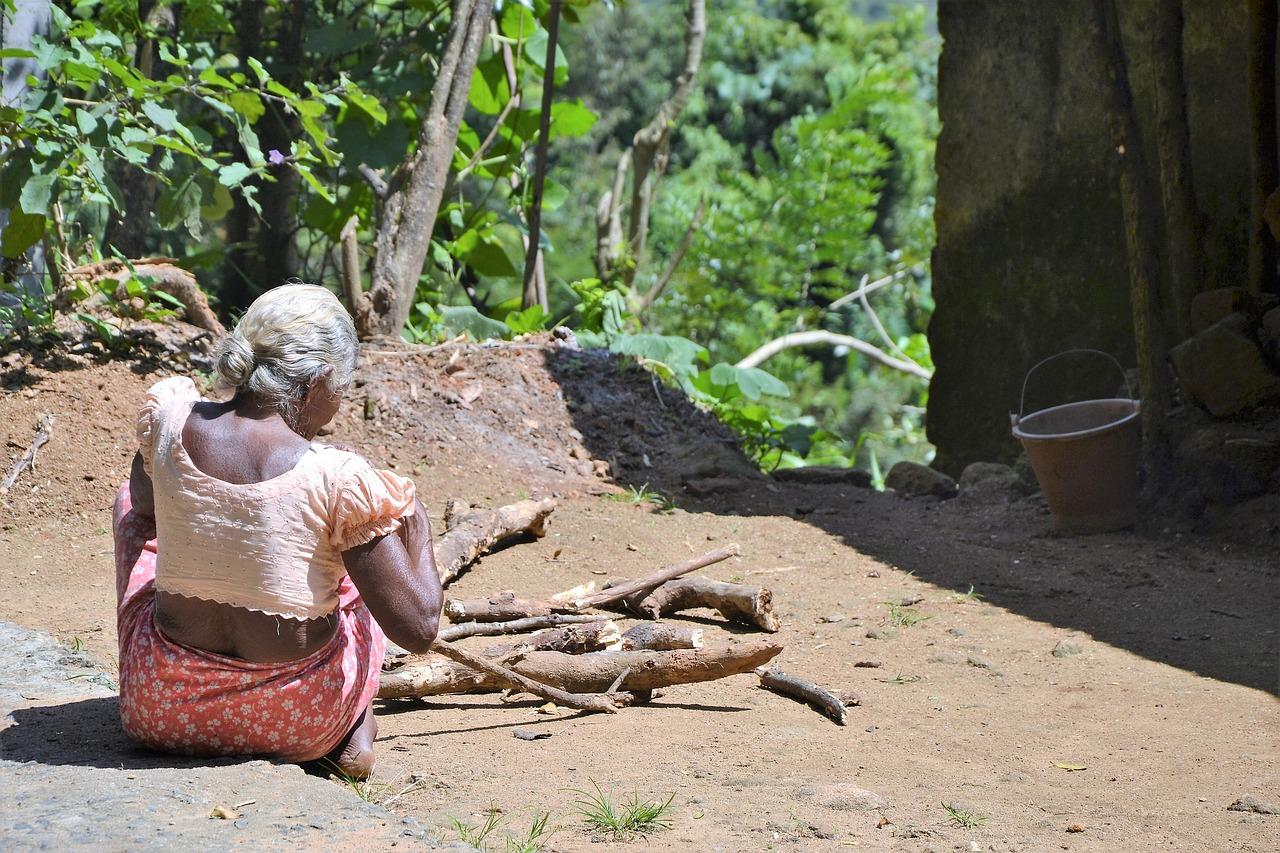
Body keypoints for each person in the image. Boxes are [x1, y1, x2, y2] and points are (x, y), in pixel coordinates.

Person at [113, 283, 441, 778]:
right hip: (300, 721)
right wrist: (416, 532)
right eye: (341, 391)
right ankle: (353, 735)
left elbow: (143, 507)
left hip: (161, 707)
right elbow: (418, 630)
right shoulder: (338, 477)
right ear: (320, 382)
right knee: (351, 572)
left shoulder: (169, 419)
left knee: (126, 500)